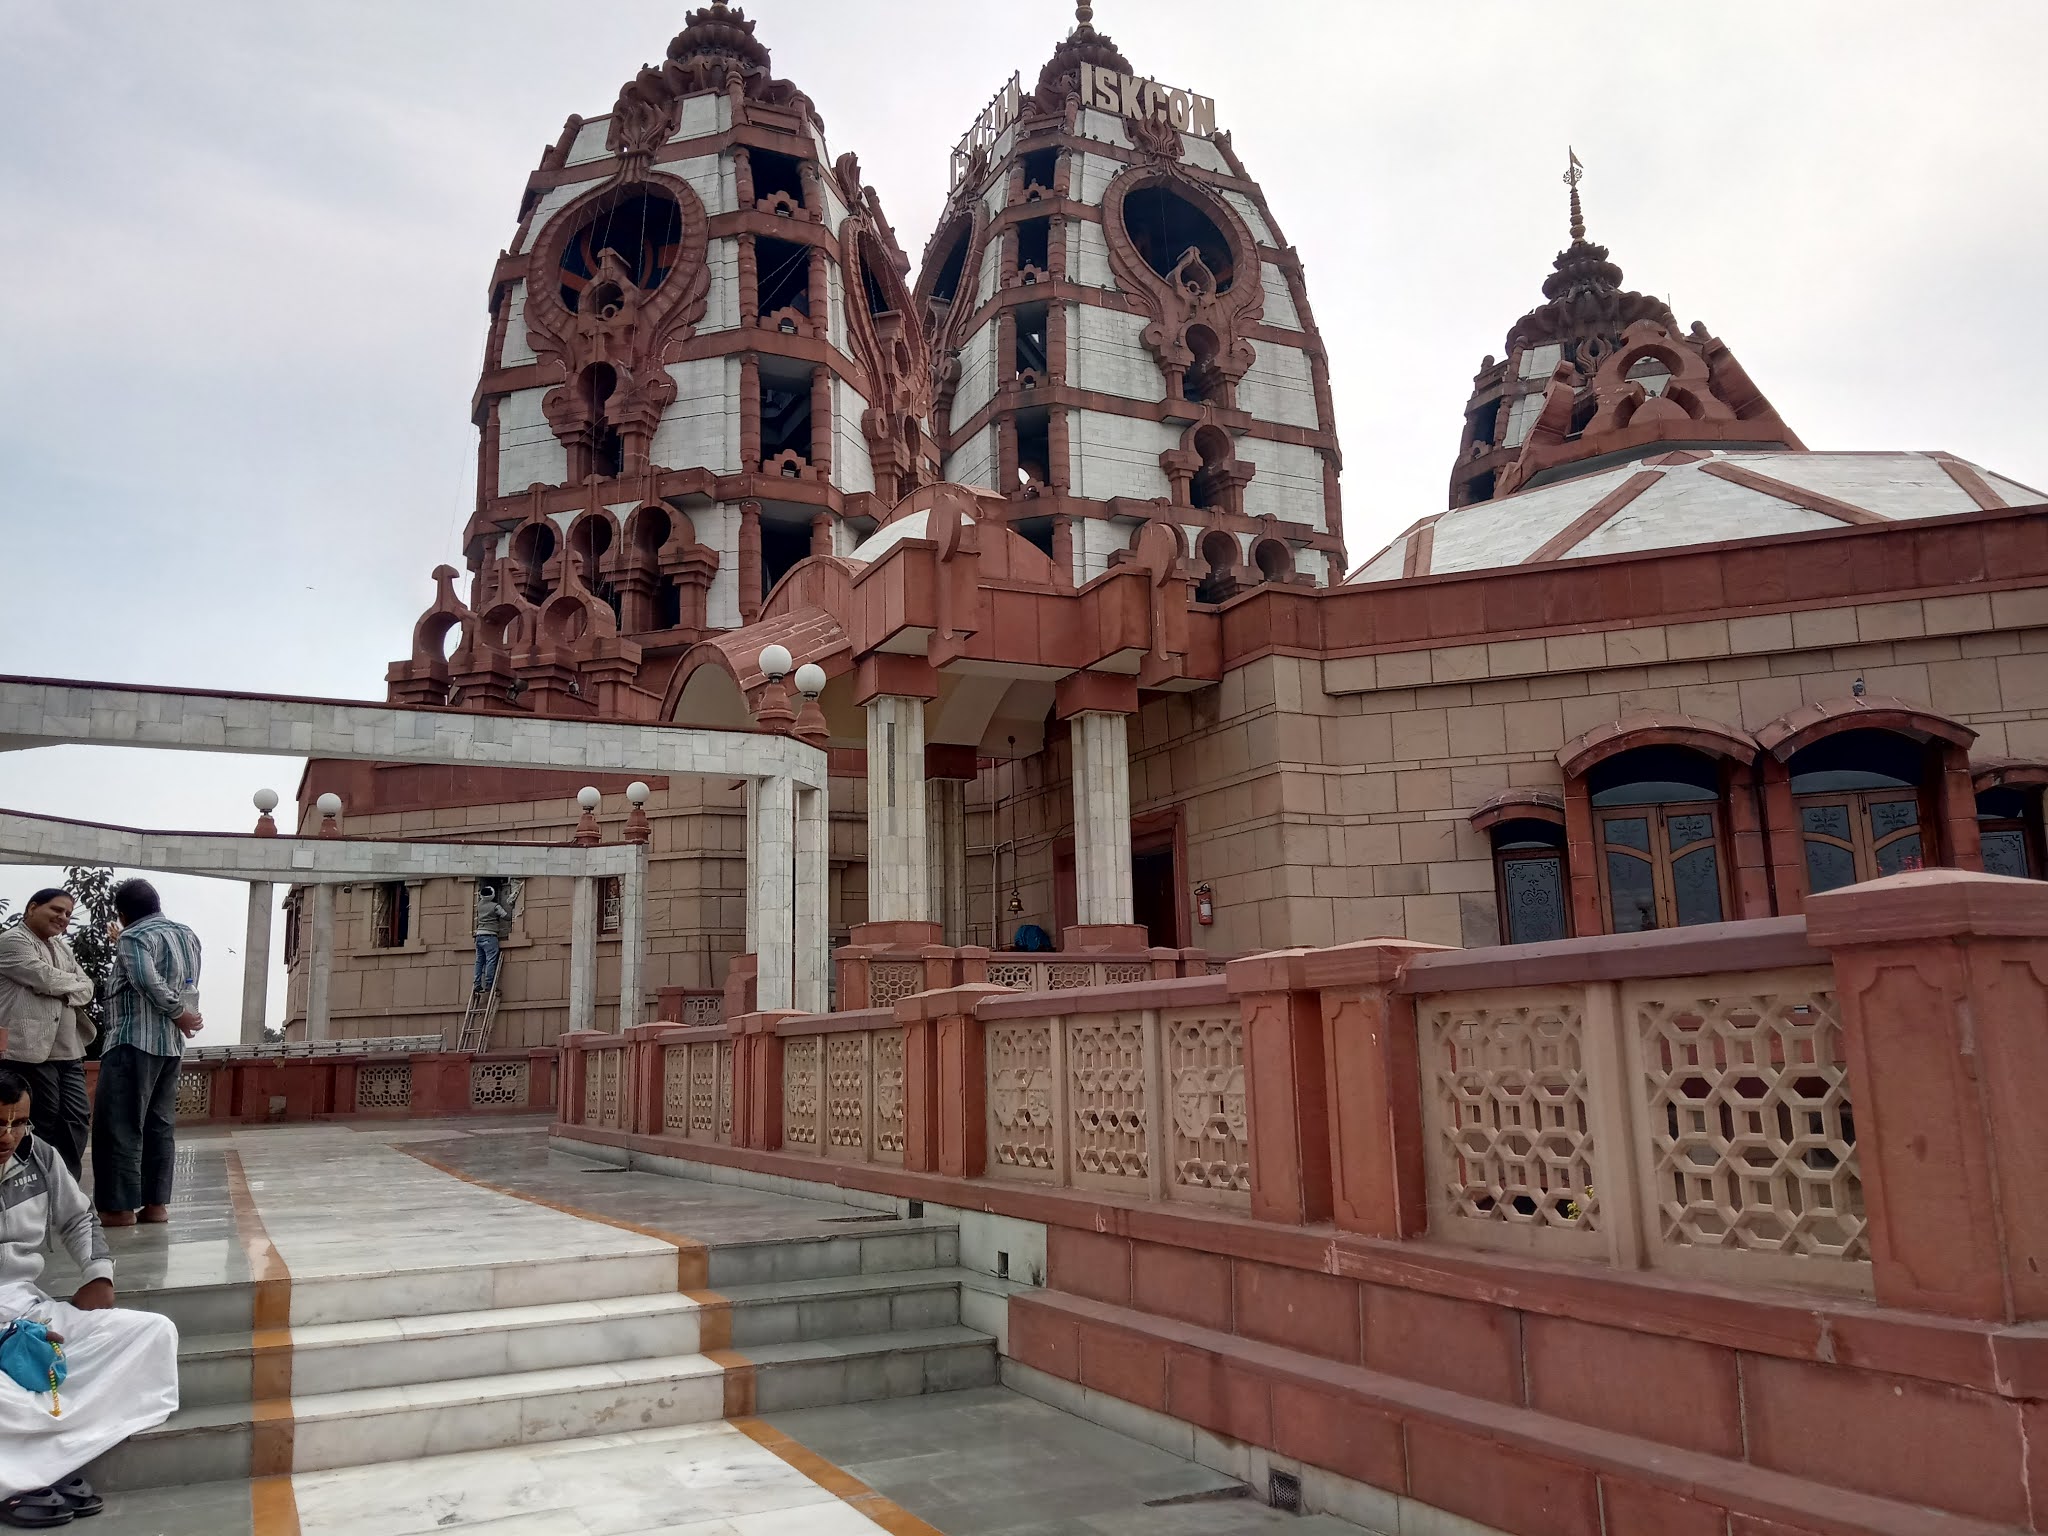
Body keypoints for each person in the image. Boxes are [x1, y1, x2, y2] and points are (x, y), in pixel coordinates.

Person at [0, 1065, 179, 1527]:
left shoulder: (39, 1156)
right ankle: (17, 1480)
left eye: (18, 1122)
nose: (9, 1135)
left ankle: (48, 1461)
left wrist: (99, 1275)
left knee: (153, 1333)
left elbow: (79, 1219)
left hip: (27, 1306)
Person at [88, 881, 200, 1230]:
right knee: (159, 1126)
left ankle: (119, 1210)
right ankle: (155, 1206)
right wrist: (186, 1014)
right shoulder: (187, 934)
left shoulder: (132, 937)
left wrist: (176, 1012)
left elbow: (146, 981)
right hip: (170, 1046)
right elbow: (188, 983)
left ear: (121, 913)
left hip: (132, 1041)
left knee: (119, 1125)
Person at [0, 892, 96, 1179]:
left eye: (68, 914)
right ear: (32, 908)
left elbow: (88, 987)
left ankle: (63, 1187)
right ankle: (30, 1187)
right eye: (56, 910)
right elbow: (44, 977)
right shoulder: (12, 941)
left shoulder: (61, 947)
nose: (63, 918)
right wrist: (66, 985)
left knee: (76, 1119)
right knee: (42, 1120)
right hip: (27, 1050)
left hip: (68, 1050)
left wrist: (58, 985)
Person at [471, 879, 514, 995]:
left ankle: (477, 984)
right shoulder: (495, 906)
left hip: (479, 935)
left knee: (479, 961)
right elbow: (505, 916)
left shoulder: (479, 905)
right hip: (490, 936)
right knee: (490, 960)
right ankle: (489, 985)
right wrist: (513, 912)